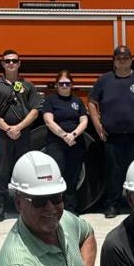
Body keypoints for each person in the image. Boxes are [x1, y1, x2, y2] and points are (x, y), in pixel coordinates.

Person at [88, 45, 134, 218]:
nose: (122, 61)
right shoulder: (105, 80)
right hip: (112, 137)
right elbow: (91, 101)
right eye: (119, 59)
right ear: (114, 61)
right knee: (113, 173)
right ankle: (112, 205)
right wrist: (97, 124)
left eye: (125, 58)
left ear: (131, 60)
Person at [0, 48, 43, 222]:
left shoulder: (28, 86)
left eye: (14, 61)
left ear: (19, 63)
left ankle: (25, 207)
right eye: (7, 61)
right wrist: (8, 128)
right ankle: (0, 207)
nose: (11, 64)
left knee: (24, 171)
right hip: (3, 134)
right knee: (3, 172)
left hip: (23, 134)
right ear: (2, 64)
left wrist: (19, 128)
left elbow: (35, 111)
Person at [41, 68, 90, 211]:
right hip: (56, 143)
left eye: (67, 84)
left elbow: (84, 121)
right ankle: (55, 208)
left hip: (75, 142)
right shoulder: (50, 100)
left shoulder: (77, 101)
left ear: (72, 85)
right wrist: (64, 135)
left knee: (72, 176)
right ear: (56, 85)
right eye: (61, 83)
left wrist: (73, 135)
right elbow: (48, 121)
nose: (64, 86)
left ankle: (71, 209)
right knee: (57, 174)